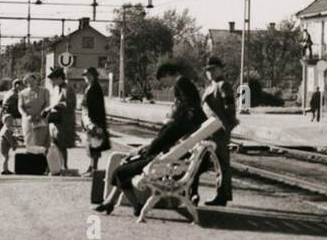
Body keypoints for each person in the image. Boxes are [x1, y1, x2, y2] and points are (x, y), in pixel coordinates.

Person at [95, 63, 202, 215]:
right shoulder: (180, 125)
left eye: (163, 81)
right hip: (162, 159)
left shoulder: (180, 90)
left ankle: (127, 206)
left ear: (167, 74)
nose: (166, 86)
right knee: (124, 166)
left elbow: (159, 144)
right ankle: (112, 203)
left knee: (121, 170)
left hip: (156, 162)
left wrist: (144, 150)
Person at [198, 56, 238, 207]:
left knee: (221, 164)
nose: (210, 72)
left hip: (218, 130)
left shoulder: (223, 86)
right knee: (204, 163)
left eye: (213, 69)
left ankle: (222, 195)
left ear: (221, 69)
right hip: (208, 130)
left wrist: (226, 127)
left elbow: (230, 109)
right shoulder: (210, 87)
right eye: (208, 70)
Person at [46, 67, 76, 174]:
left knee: (62, 144)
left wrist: (57, 105)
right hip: (56, 120)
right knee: (55, 143)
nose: (52, 82)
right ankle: (57, 166)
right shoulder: (56, 88)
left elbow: (71, 105)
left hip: (64, 121)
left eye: (54, 79)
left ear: (60, 78)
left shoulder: (67, 88)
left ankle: (64, 166)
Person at [81, 67, 109, 178]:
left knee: (95, 145)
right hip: (89, 120)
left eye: (89, 75)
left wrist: (95, 123)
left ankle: (94, 169)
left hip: (94, 121)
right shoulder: (90, 87)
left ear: (94, 76)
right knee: (91, 145)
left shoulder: (95, 88)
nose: (86, 77)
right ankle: (91, 167)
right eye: (85, 75)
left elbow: (96, 107)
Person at [18, 71, 50, 155]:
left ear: (36, 81)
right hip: (28, 120)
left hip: (41, 119)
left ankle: (42, 162)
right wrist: (26, 115)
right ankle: (30, 161)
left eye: (32, 81)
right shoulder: (22, 93)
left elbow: (47, 104)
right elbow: (20, 106)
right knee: (29, 141)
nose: (30, 83)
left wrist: (40, 114)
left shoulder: (44, 91)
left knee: (41, 142)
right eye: (28, 82)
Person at [0, 79, 22, 175]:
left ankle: (6, 169)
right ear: (16, 85)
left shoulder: (10, 93)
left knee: (6, 157)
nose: (22, 87)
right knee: (6, 157)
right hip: (12, 114)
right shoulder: (13, 94)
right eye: (21, 85)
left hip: (8, 114)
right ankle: (4, 170)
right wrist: (13, 144)